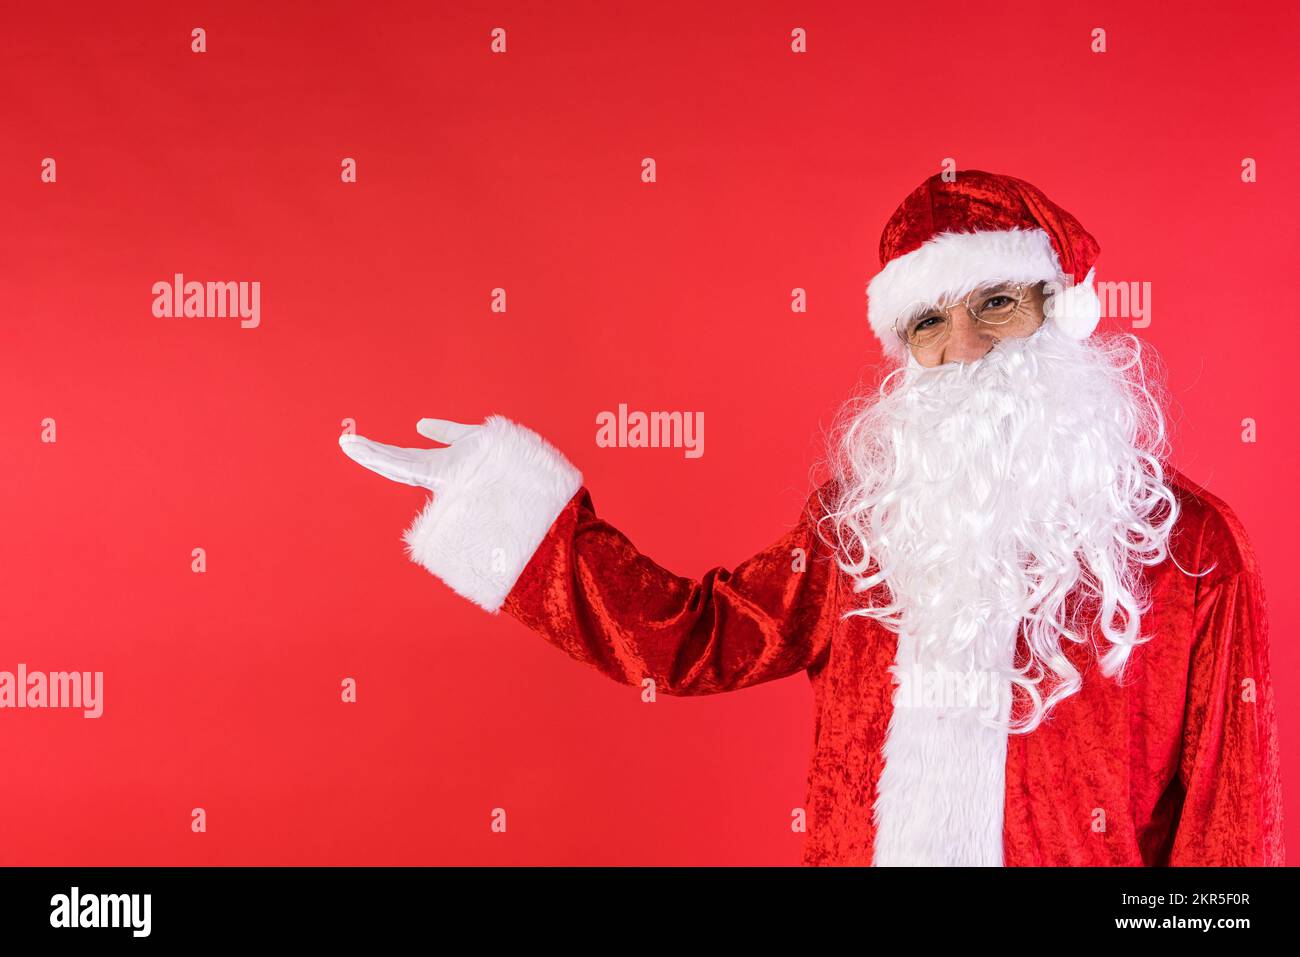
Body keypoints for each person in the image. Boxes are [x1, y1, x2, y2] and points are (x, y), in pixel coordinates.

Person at [339, 169, 1285, 866]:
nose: (962, 347)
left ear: (1058, 312)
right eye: (928, 322)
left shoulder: (1188, 545)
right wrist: (508, 511)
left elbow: (1227, 825)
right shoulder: (863, 525)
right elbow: (692, 639)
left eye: (995, 303)